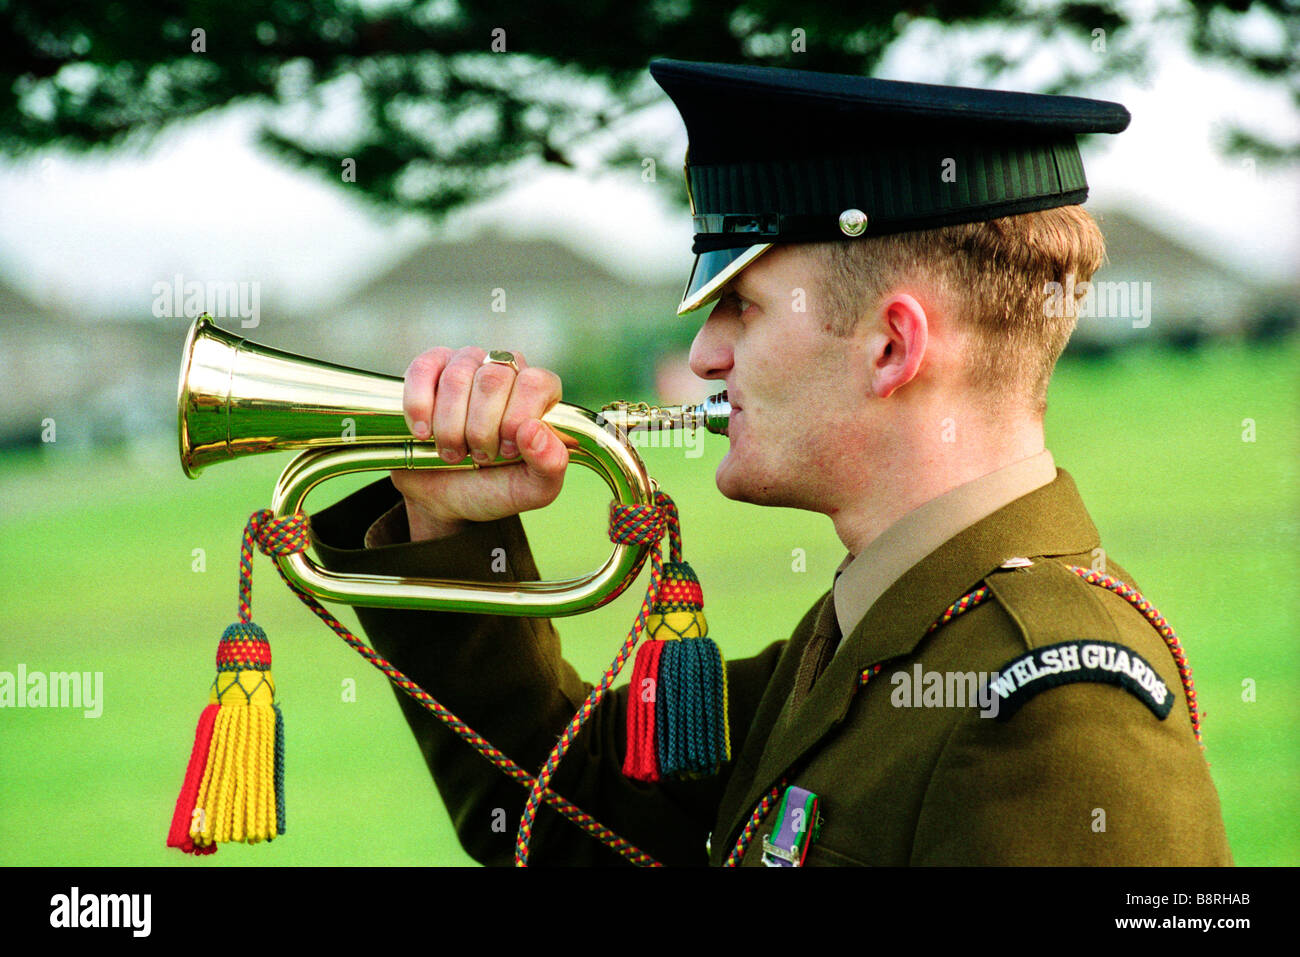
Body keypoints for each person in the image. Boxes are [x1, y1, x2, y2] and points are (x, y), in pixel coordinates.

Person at [308, 59, 1232, 866]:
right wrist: (443, 525)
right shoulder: (884, 625)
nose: (705, 355)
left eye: (742, 306)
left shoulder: (1055, 705)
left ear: (890, 346)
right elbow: (567, 815)